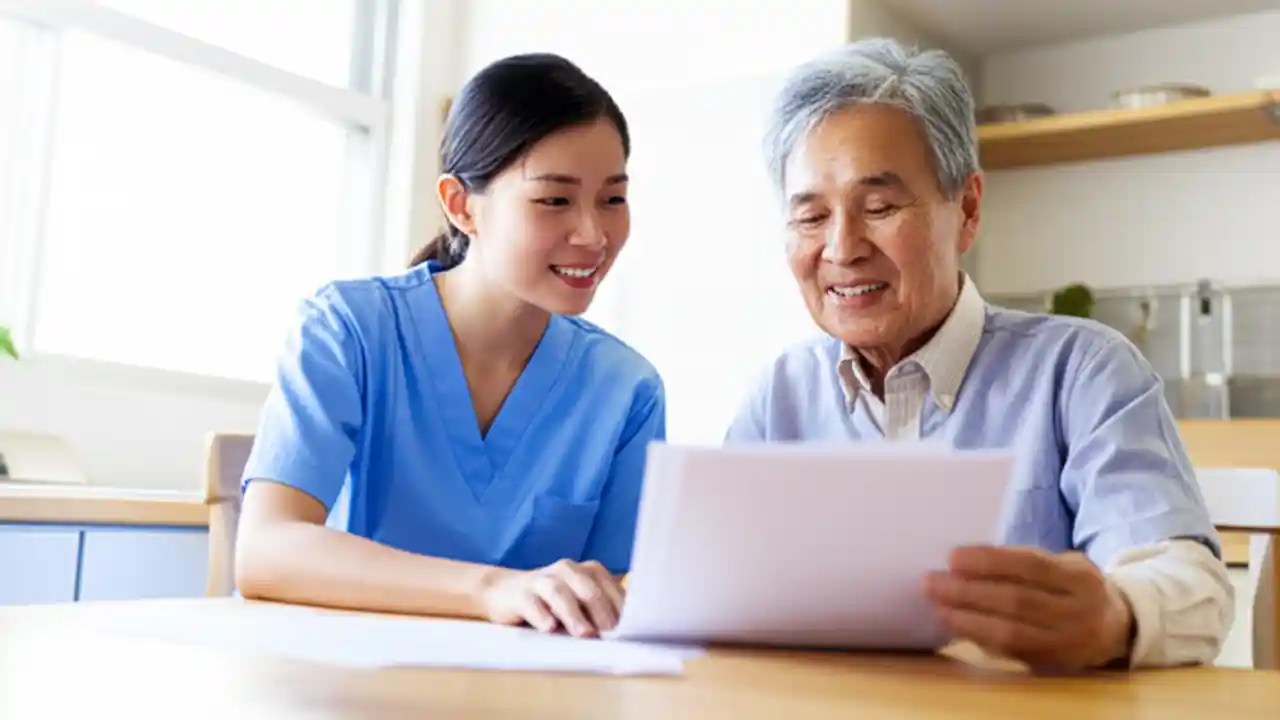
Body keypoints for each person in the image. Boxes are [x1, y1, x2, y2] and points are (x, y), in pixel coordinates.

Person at [728, 38, 1232, 669]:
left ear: (966, 209)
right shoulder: (779, 396)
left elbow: (1191, 583)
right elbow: (713, 588)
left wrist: (1116, 615)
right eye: (810, 217)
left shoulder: (1083, 371)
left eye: (879, 207)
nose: (842, 247)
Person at [235, 53, 664, 639]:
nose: (593, 235)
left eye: (612, 199)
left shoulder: (627, 389)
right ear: (462, 205)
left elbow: (619, 590)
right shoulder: (349, 329)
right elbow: (266, 551)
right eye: (554, 200)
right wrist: (494, 588)